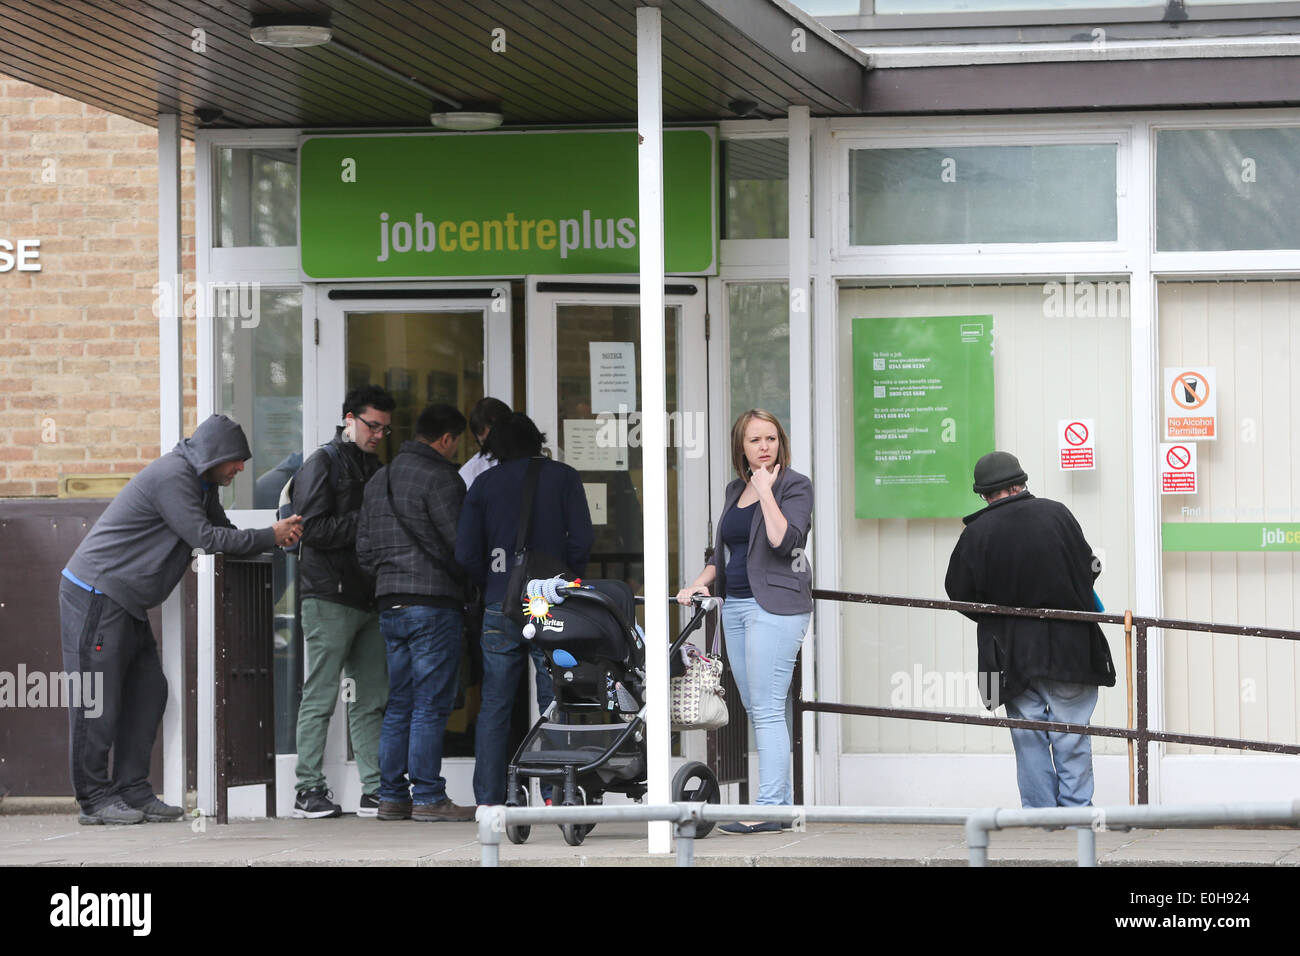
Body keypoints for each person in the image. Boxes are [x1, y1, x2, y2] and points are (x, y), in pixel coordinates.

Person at [60, 414, 302, 825]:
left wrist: (272, 535)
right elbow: (207, 539)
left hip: (126, 600)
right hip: (96, 594)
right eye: (236, 460)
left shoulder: (202, 482)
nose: (240, 468)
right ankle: (94, 798)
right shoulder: (174, 476)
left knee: (149, 691)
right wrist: (269, 535)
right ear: (215, 454)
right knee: (96, 699)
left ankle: (133, 789)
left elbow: (222, 530)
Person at [944, 451, 1116, 808]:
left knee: (1029, 739)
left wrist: (998, 616)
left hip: (1012, 655)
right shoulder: (1057, 514)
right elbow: (1090, 567)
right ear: (1020, 482)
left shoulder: (976, 534)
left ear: (984, 494)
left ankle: (1041, 824)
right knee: (1072, 737)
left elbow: (959, 593)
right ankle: (1078, 818)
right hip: (1072, 647)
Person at [677, 409, 812, 834]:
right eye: (755, 440)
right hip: (734, 607)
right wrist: (699, 583)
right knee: (758, 709)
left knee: (769, 710)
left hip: (775, 608)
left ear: (780, 442)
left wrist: (767, 492)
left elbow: (783, 539)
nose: (764, 446)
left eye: (771, 438)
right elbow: (723, 553)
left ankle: (772, 806)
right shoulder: (734, 489)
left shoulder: (794, 485)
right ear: (742, 445)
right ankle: (779, 801)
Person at [455, 413, 594, 806]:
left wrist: (494, 581)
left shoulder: (483, 483)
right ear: (538, 441)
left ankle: (490, 798)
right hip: (549, 602)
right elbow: (582, 539)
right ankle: (557, 793)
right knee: (554, 697)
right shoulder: (563, 477)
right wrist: (565, 579)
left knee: (496, 702)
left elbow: (465, 552)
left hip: (501, 601)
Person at [356, 404, 476, 823]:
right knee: (429, 703)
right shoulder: (442, 479)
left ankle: (391, 796)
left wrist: (391, 578)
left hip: (390, 604)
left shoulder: (379, 479)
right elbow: (461, 545)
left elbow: (364, 551)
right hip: (432, 604)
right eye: (455, 440)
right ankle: (427, 796)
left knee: (400, 703)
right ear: (446, 439)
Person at [290, 385, 394, 819]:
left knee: (371, 697)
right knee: (320, 695)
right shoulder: (323, 462)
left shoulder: (371, 464)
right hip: (328, 594)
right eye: (372, 425)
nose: (378, 434)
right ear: (349, 418)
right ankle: (307, 788)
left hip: (366, 594)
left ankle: (373, 788)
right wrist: (366, 523)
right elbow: (309, 529)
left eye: (386, 429)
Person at [458, 396, 511, 490]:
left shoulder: (530, 461)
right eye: (485, 442)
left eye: (496, 437)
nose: (493, 445)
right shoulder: (469, 473)